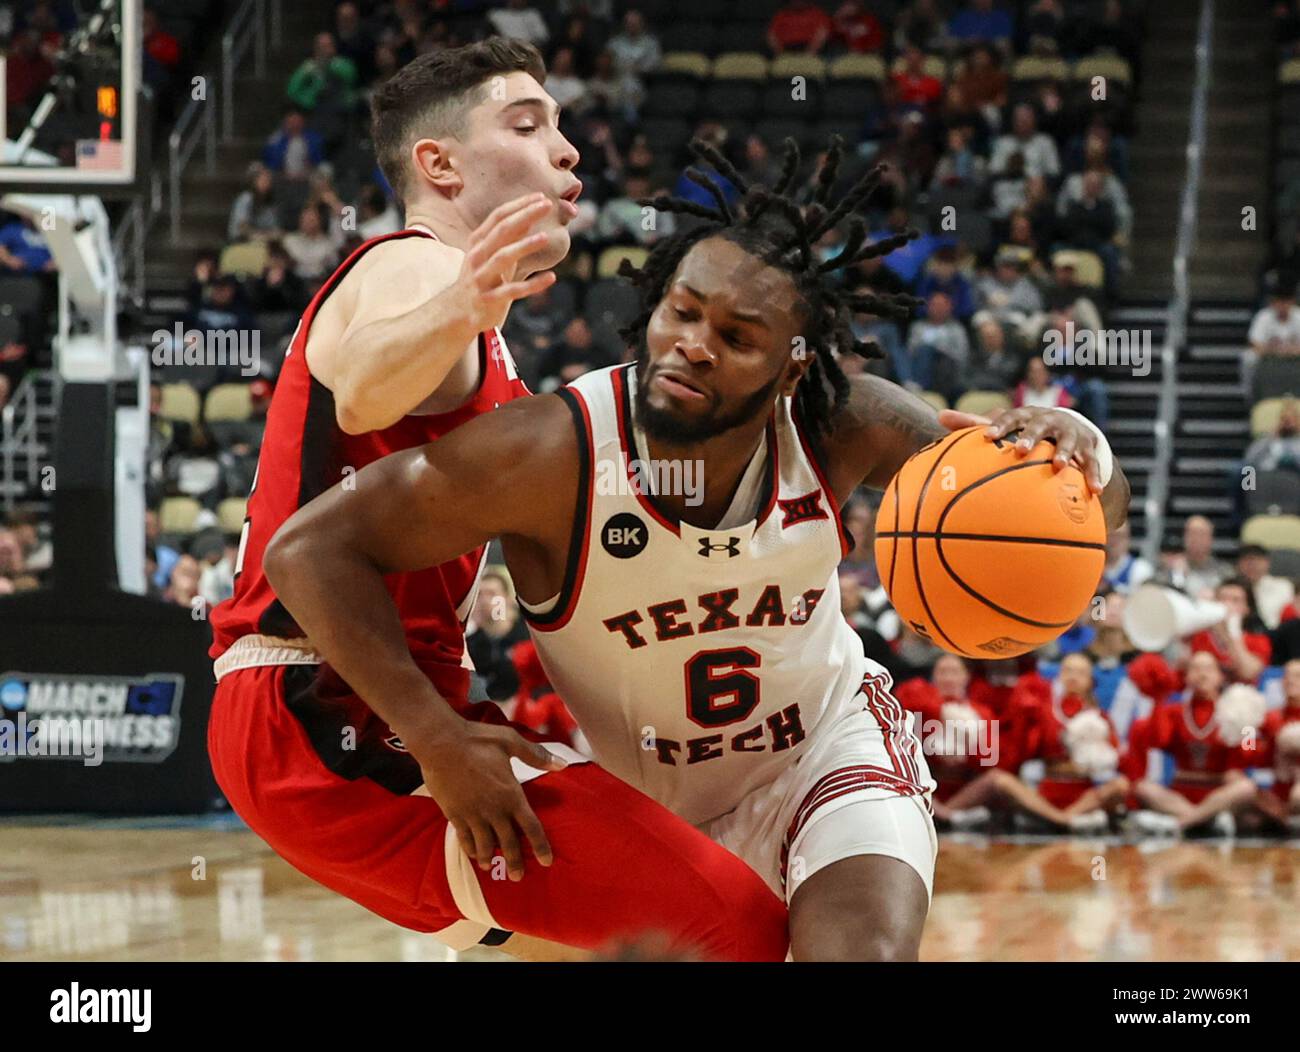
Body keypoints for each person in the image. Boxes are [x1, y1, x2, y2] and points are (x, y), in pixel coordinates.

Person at [264, 137, 1130, 960]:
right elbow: (309, 551)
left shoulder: (845, 425)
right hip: (647, 798)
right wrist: (435, 736)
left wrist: (1078, 440)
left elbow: (1090, 510)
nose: (694, 345)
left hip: (823, 749)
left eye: (738, 337)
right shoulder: (547, 455)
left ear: (791, 367)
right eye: (682, 311)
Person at [209, 40, 791, 965]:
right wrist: (462, 301)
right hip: (324, 706)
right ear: (438, 165)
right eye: (526, 125)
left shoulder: (493, 359)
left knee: (677, 916)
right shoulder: (411, 268)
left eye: (560, 125)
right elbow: (359, 387)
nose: (566, 149)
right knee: (734, 928)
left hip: (396, 700)